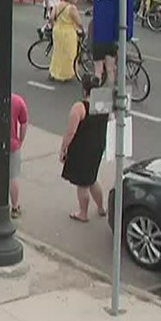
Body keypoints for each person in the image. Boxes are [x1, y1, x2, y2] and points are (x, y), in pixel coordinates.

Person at [60, 74, 109, 223]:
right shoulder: (102, 104)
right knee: (92, 178)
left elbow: (71, 132)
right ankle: (101, 207)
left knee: (82, 183)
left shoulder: (80, 107)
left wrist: (63, 148)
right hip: (98, 144)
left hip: (82, 148)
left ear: (84, 90)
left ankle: (83, 213)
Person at [49, 0, 84, 82]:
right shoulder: (71, 8)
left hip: (57, 30)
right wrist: (82, 29)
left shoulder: (57, 5)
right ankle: (65, 74)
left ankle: (54, 72)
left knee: (57, 52)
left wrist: (54, 26)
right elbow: (79, 22)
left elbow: (51, 18)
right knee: (69, 53)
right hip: (68, 32)